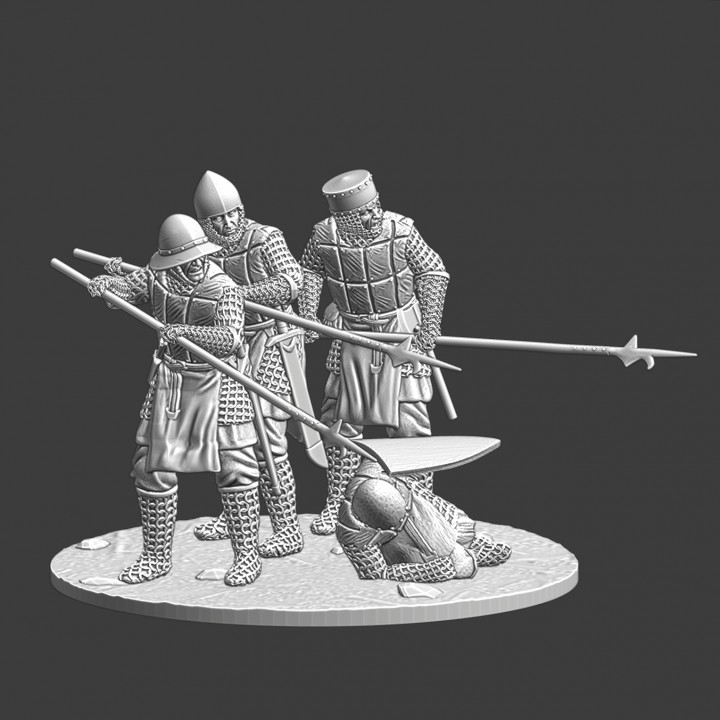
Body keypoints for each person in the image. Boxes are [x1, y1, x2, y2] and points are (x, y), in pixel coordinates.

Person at [87, 214, 262, 587]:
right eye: (186, 260)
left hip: (219, 381)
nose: (195, 264)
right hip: (172, 381)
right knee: (149, 467)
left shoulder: (225, 289)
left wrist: (187, 332)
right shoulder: (158, 276)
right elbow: (127, 290)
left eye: (198, 257)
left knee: (237, 469)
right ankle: (156, 558)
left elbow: (230, 339)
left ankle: (247, 558)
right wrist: (107, 285)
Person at [299, 169, 449, 535]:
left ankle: (420, 505)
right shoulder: (323, 236)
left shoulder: (402, 231)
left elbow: (433, 273)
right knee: (340, 425)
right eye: (361, 213)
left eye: (373, 208)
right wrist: (308, 316)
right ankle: (338, 502)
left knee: (409, 424)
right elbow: (309, 272)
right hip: (350, 332)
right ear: (343, 217)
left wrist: (429, 326)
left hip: (400, 333)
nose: (371, 216)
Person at [191, 171, 304, 558]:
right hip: (228, 346)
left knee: (269, 439)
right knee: (233, 438)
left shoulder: (265, 237)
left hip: (270, 341)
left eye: (232, 215)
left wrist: (237, 295)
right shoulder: (201, 250)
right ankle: (239, 513)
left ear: (242, 210)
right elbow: (174, 282)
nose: (227, 224)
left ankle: (287, 529)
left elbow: (291, 281)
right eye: (217, 219)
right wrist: (125, 281)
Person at [336, 459, 512, 582]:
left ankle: (465, 546)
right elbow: (377, 573)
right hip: (396, 548)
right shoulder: (351, 532)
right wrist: (426, 571)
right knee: (436, 556)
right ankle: (458, 554)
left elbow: (427, 496)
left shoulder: (385, 471)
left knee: (457, 532)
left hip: (419, 510)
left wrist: (460, 533)